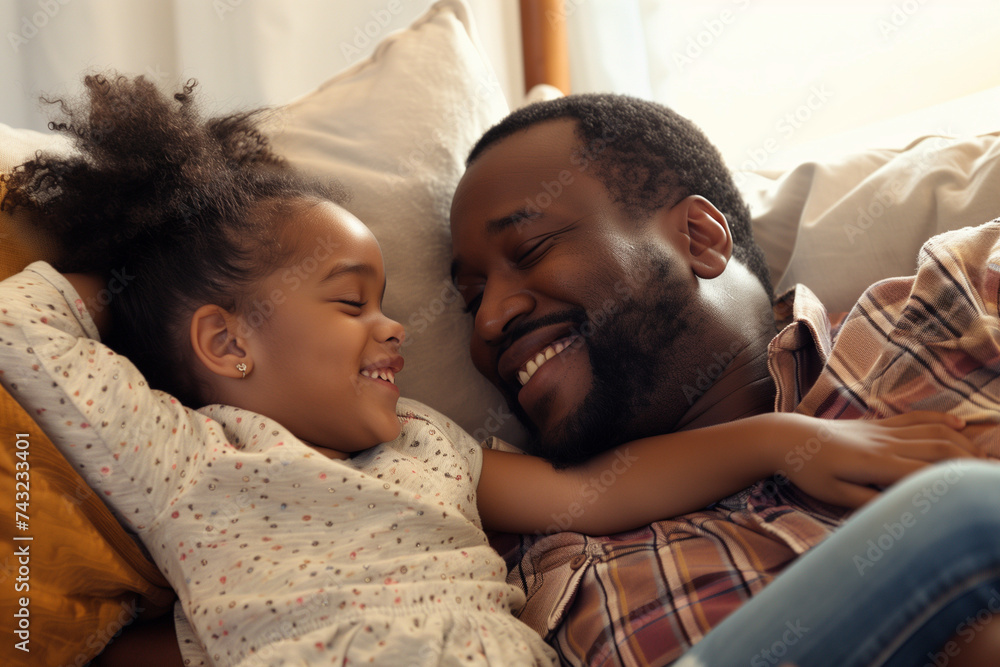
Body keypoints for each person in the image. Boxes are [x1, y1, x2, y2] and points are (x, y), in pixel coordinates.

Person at [0, 75, 973, 666]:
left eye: (530, 247)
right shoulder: (184, 462)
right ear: (225, 343)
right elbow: (29, 334)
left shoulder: (436, 450)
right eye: (352, 303)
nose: (417, 330)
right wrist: (119, 296)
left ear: (701, 235)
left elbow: (586, 491)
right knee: (967, 516)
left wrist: (787, 438)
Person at [449, 93, 1000, 665]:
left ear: (700, 238)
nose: (488, 321)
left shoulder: (960, 302)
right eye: (470, 301)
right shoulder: (499, 553)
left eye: (531, 247)